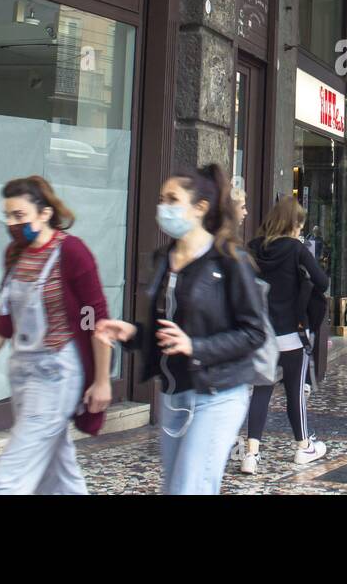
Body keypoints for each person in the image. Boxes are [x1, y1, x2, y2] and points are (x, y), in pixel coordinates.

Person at [97, 165, 267, 495]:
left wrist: (197, 347)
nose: (163, 207)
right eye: (162, 199)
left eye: (173, 199)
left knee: (190, 488)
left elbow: (254, 333)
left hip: (217, 394)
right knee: (175, 488)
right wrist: (132, 334)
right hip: (173, 395)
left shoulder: (230, 260)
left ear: (200, 207)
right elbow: (168, 333)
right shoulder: (164, 258)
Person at [0, 176, 112, 495]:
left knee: (12, 472)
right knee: (58, 472)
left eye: (19, 216)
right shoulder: (16, 253)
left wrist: (102, 380)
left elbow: (97, 318)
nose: (12, 224)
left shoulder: (72, 252)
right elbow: (4, 320)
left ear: (44, 213)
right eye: (8, 216)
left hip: (57, 374)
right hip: (23, 371)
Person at [240, 197, 329, 475]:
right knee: (294, 392)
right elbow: (322, 282)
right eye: (300, 224)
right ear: (294, 223)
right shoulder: (296, 249)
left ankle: (251, 454)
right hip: (292, 331)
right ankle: (304, 446)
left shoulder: (254, 247)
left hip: (260, 331)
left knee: (261, 391)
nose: (301, 230)